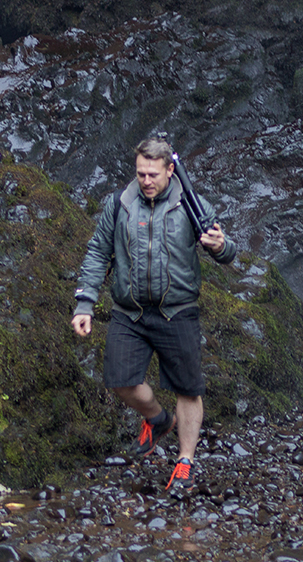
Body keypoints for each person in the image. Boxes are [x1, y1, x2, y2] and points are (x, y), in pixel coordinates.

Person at [70, 136, 237, 497]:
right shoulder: (120, 204)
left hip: (178, 311)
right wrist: (85, 304)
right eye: (140, 173)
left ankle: (185, 461)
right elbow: (98, 253)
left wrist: (220, 246)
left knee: (188, 389)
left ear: (170, 170)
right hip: (129, 312)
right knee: (118, 380)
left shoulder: (190, 204)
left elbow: (227, 251)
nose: (146, 180)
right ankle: (159, 420)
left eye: (152, 174)